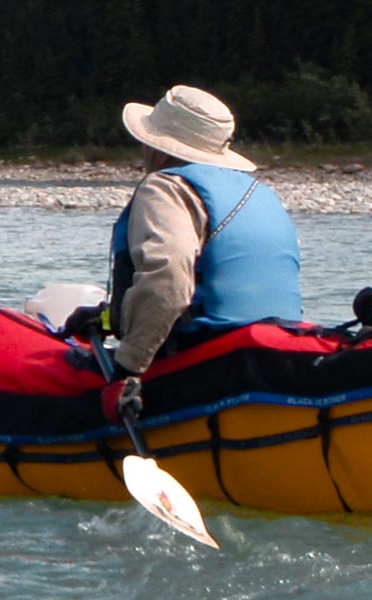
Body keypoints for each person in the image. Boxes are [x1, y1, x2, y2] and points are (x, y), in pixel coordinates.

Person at [98, 85, 302, 414]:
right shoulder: (261, 193)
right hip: (276, 354)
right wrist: (107, 317)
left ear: (159, 148)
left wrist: (128, 370)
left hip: (206, 361)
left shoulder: (165, 187)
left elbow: (168, 281)